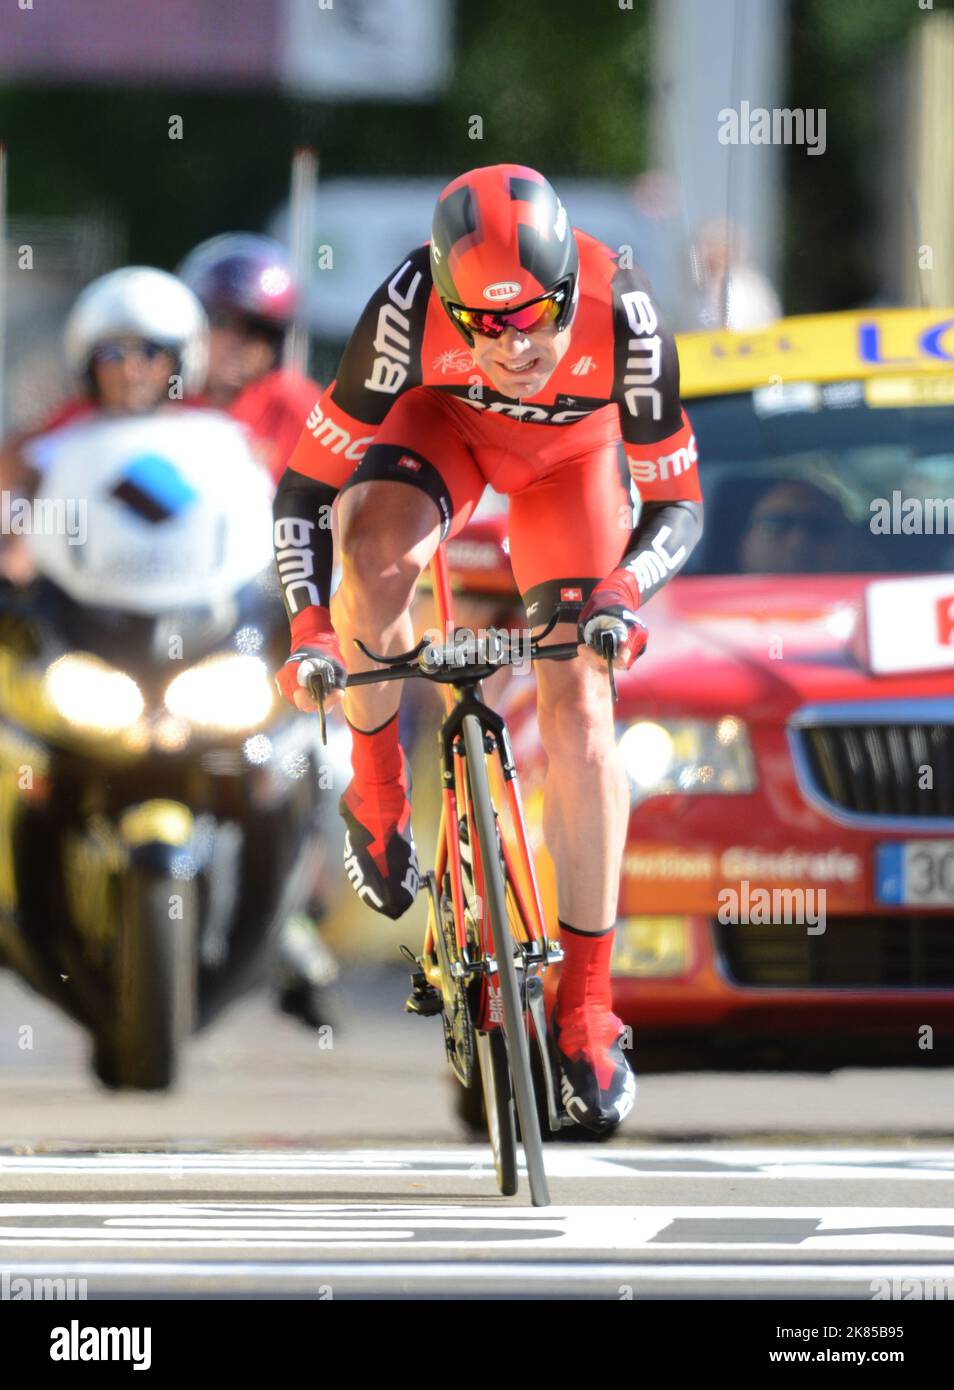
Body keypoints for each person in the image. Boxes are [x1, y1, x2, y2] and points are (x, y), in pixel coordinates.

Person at [271, 163, 704, 1134]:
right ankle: (376, 790)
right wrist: (311, 630)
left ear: (568, 290)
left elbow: (676, 501)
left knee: (582, 702)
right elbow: (303, 492)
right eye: (489, 327)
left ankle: (589, 1008)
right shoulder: (402, 312)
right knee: (373, 563)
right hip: (444, 432)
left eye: (541, 319)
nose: (520, 348)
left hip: (573, 464)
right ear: (447, 304)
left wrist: (622, 595)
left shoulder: (625, 313)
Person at [0, 266, 208, 581]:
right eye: (113, 354)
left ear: (179, 361)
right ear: (88, 364)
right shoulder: (49, 455)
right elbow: (17, 548)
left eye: (150, 351)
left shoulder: (213, 448)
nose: (130, 370)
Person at [177, 234, 323, 485]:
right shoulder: (159, 397)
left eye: (258, 329)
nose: (238, 343)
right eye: (221, 321)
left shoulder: (298, 409)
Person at [737, 479, 849, 574]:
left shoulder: (864, 597)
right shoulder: (722, 596)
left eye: (819, 528)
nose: (799, 541)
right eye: (778, 525)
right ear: (744, 542)